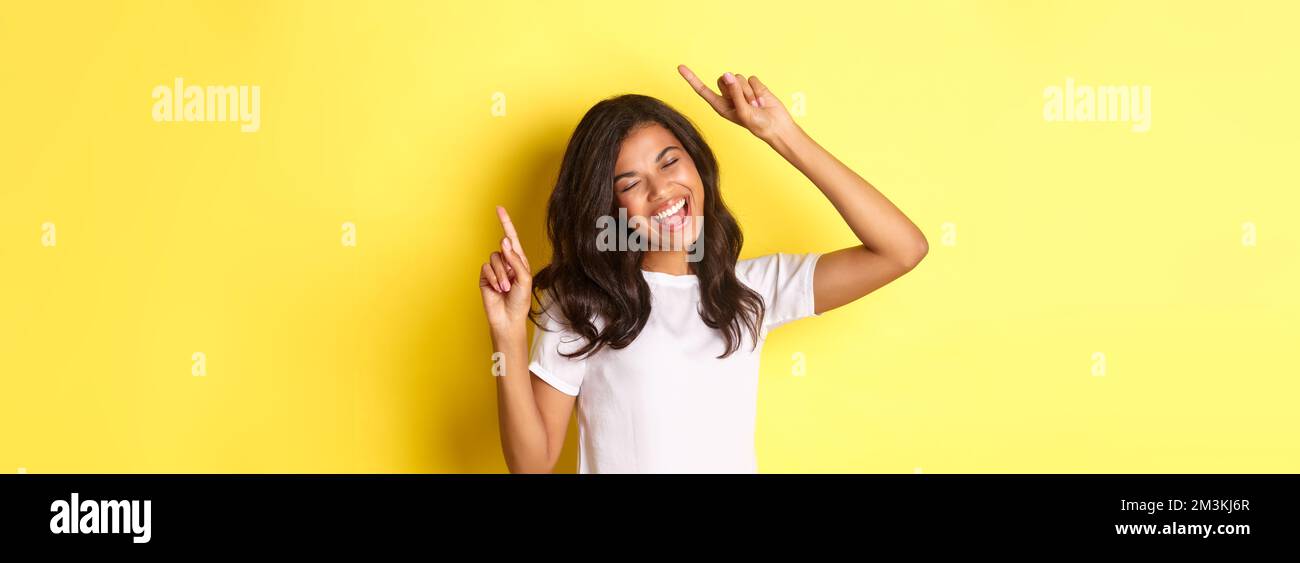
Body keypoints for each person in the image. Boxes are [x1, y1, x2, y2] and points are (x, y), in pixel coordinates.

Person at [479, 65, 928, 473]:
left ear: (697, 162)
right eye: (631, 184)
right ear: (609, 208)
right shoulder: (582, 304)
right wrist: (507, 335)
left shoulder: (752, 291)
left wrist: (781, 134)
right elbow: (531, 466)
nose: (661, 190)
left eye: (670, 161)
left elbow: (901, 250)